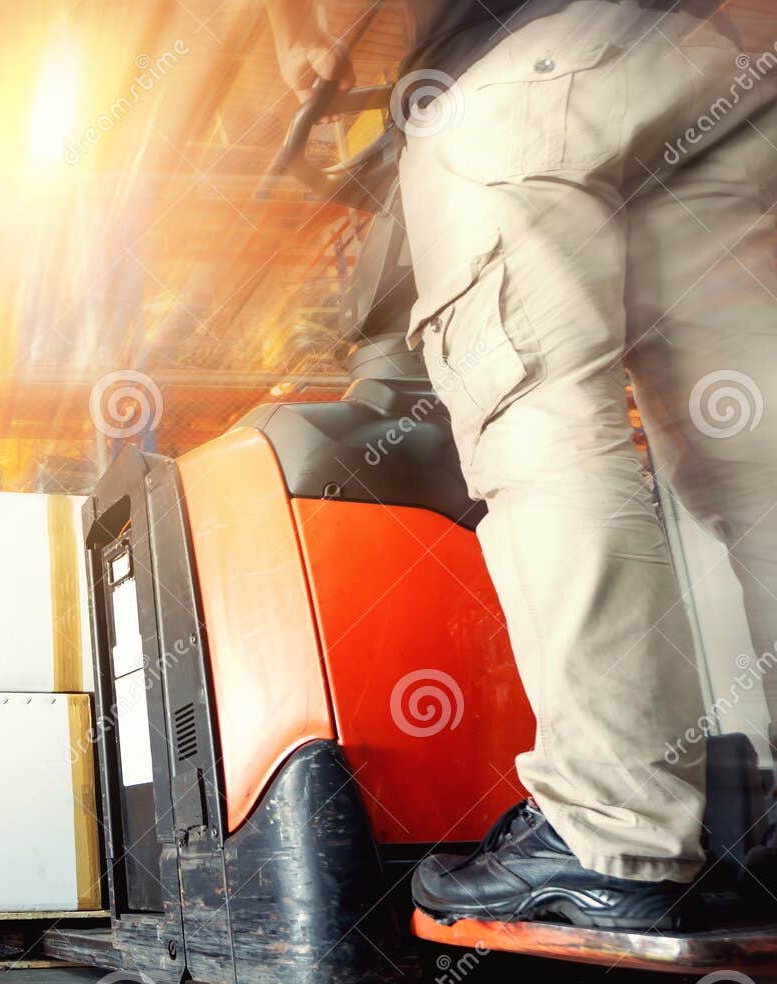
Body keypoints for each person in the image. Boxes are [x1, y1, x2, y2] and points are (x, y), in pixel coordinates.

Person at [264, 0, 777, 930]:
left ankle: (612, 838)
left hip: (529, 86)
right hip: (719, 64)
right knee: (761, 465)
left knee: (540, 431)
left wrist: (294, 31)